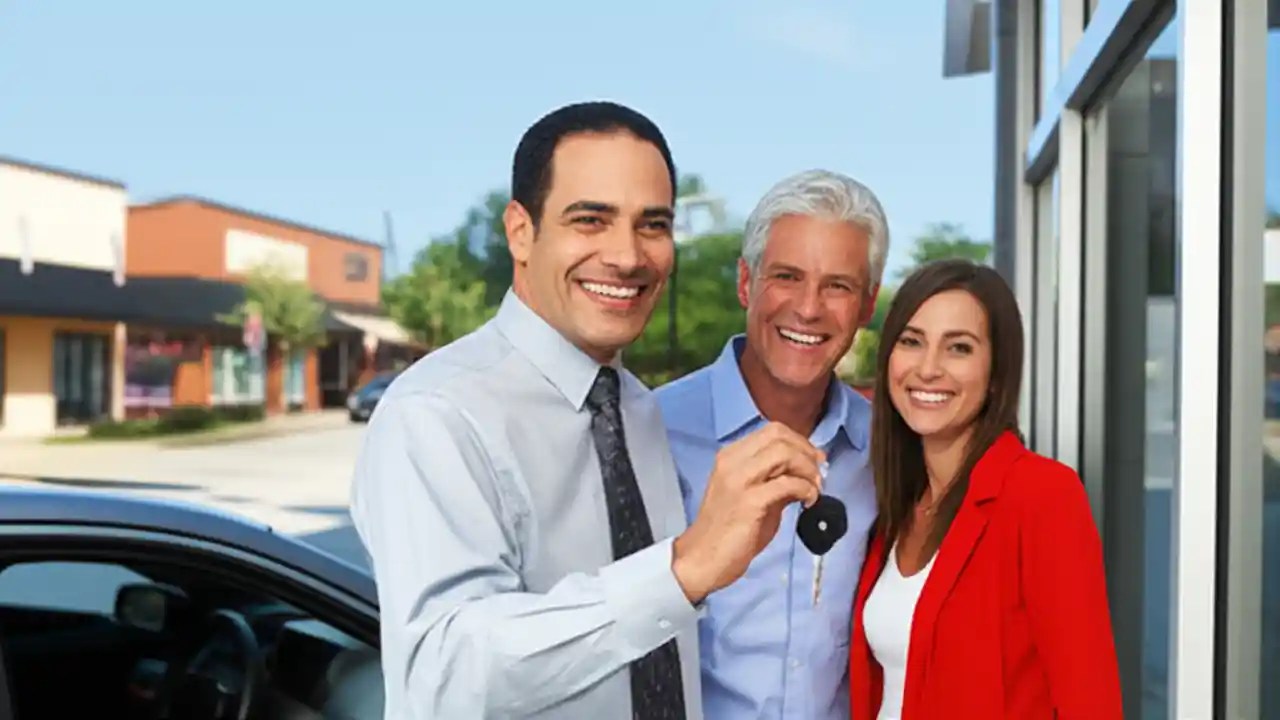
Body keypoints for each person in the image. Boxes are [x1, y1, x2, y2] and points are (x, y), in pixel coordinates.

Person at [350, 100, 828, 720]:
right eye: (591, 220)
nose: (628, 256)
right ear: (521, 232)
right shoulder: (437, 415)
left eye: (652, 225)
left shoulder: (637, 408)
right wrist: (682, 569)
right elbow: (444, 676)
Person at [657, 169, 890, 718]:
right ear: (746, 282)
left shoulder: (889, 453)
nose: (809, 308)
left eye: (838, 285)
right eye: (787, 276)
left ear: (867, 304)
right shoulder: (649, 431)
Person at [848, 259, 1123, 720]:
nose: (928, 368)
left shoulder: (1042, 494)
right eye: (912, 341)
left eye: (959, 348)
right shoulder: (897, 503)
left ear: (996, 374)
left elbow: (1089, 700)